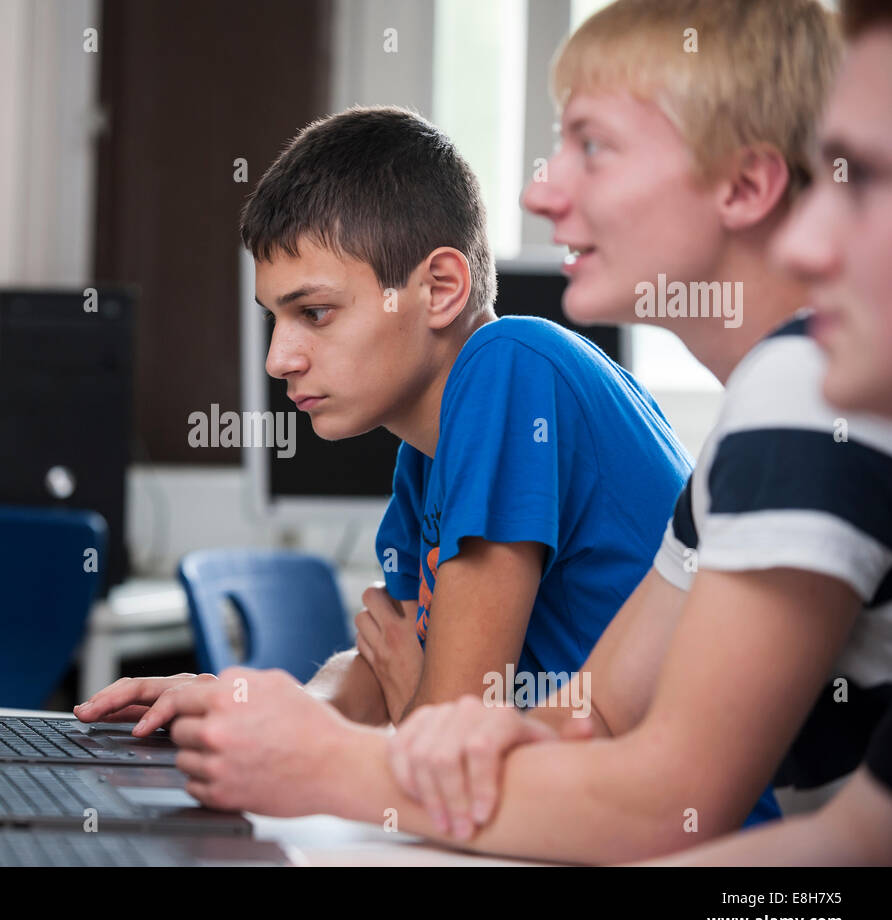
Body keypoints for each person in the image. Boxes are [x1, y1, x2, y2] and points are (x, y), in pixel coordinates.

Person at [83, 0, 877, 865]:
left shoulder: (529, 365)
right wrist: (265, 716)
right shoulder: (751, 426)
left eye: (594, 146)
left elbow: (654, 792)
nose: (540, 190)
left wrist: (352, 748)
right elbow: (585, 718)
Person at [78, 105, 690, 736]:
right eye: (274, 319)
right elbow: (379, 665)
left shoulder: (510, 367)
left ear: (441, 288)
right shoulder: (426, 456)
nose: (277, 359)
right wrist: (257, 704)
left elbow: (445, 739)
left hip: (650, 831)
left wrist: (413, 695)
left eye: (314, 312)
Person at [647, 0, 892, 864]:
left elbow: (668, 791)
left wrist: (351, 771)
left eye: (859, 178)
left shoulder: (800, 387)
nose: (806, 244)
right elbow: (853, 847)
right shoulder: (775, 391)